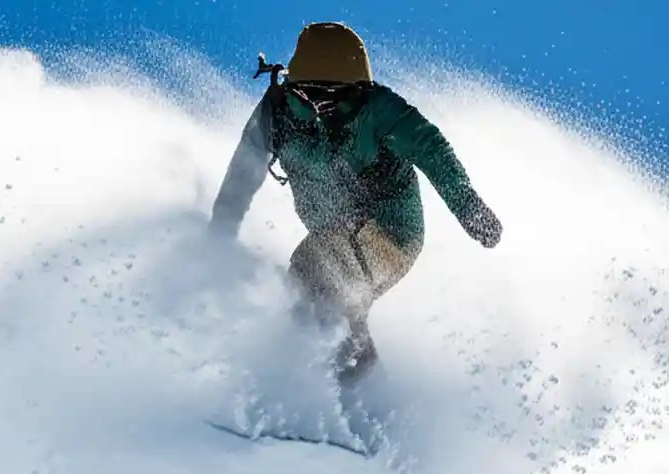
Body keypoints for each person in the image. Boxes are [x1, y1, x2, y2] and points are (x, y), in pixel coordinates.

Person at [209, 22, 502, 385]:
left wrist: (469, 207)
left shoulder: (377, 109)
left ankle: (342, 388)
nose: (319, 106)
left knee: (315, 272)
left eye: (332, 95)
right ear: (293, 85)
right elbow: (242, 172)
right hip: (334, 235)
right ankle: (357, 397)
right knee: (309, 297)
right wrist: (217, 238)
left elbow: (432, 149)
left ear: (357, 88)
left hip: (392, 232)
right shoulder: (276, 113)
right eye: (309, 94)